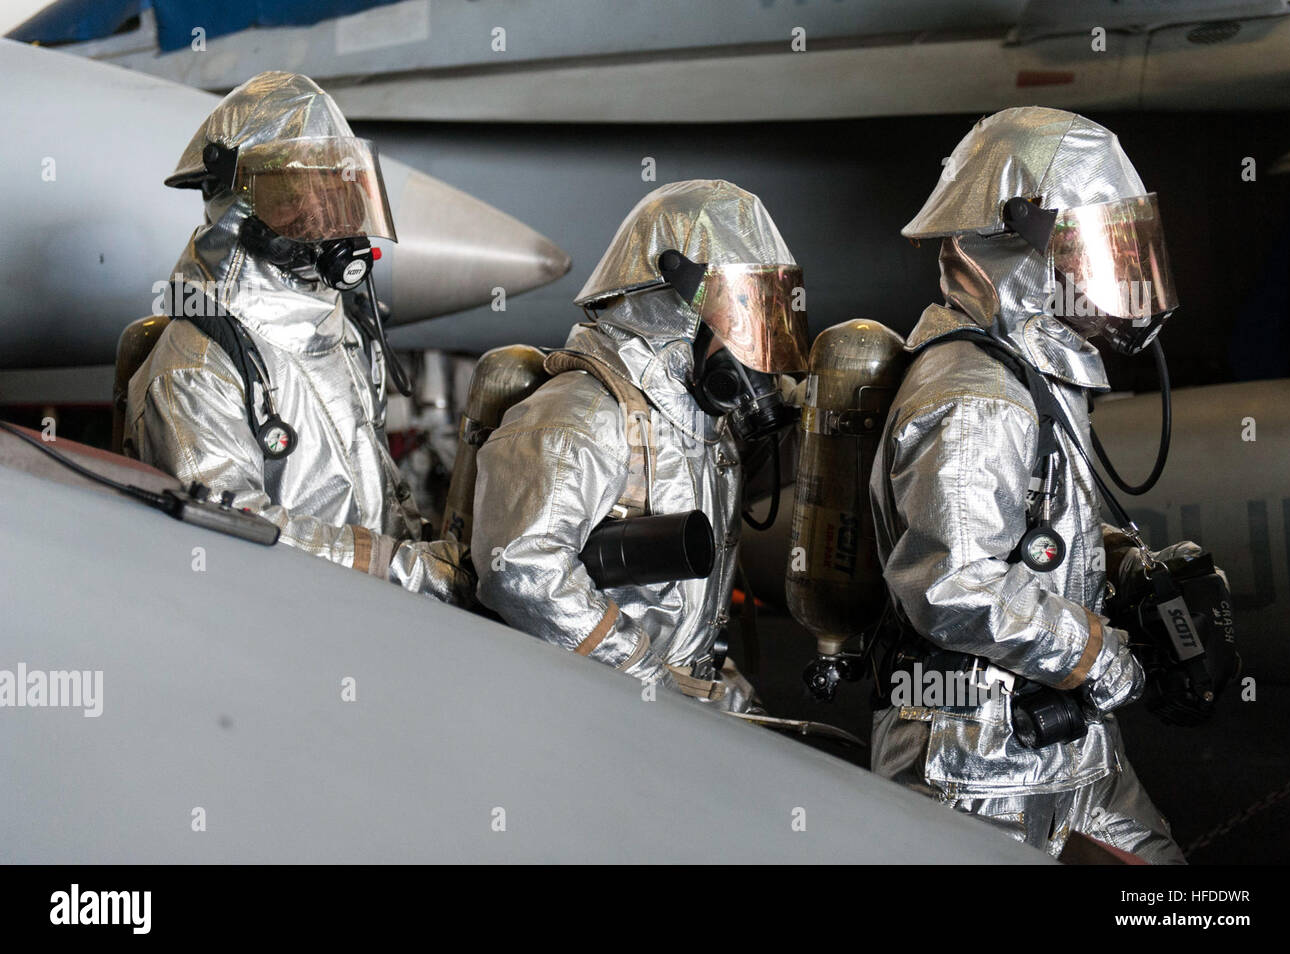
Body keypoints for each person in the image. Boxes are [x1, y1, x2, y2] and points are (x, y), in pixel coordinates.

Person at [869, 106, 1194, 862]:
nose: (1110, 276)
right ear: (1023, 248)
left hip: (1056, 739)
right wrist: (1097, 653)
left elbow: (1028, 521)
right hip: (974, 765)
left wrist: (1118, 559)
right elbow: (953, 584)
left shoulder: (1026, 372)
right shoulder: (977, 395)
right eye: (1094, 249)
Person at [125, 72, 469, 603]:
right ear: (242, 214)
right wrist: (407, 571)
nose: (328, 220)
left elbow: (376, 487)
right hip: (280, 636)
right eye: (299, 197)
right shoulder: (196, 367)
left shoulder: (346, 329)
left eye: (337, 193)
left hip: (381, 619)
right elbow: (227, 531)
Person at [472, 180, 808, 708]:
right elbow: (520, 569)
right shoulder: (579, 417)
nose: (752, 347)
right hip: (593, 709)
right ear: (674, 310)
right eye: (738, 317)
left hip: (672, 703)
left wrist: (715, 689)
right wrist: (643, 672)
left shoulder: (695, 418)